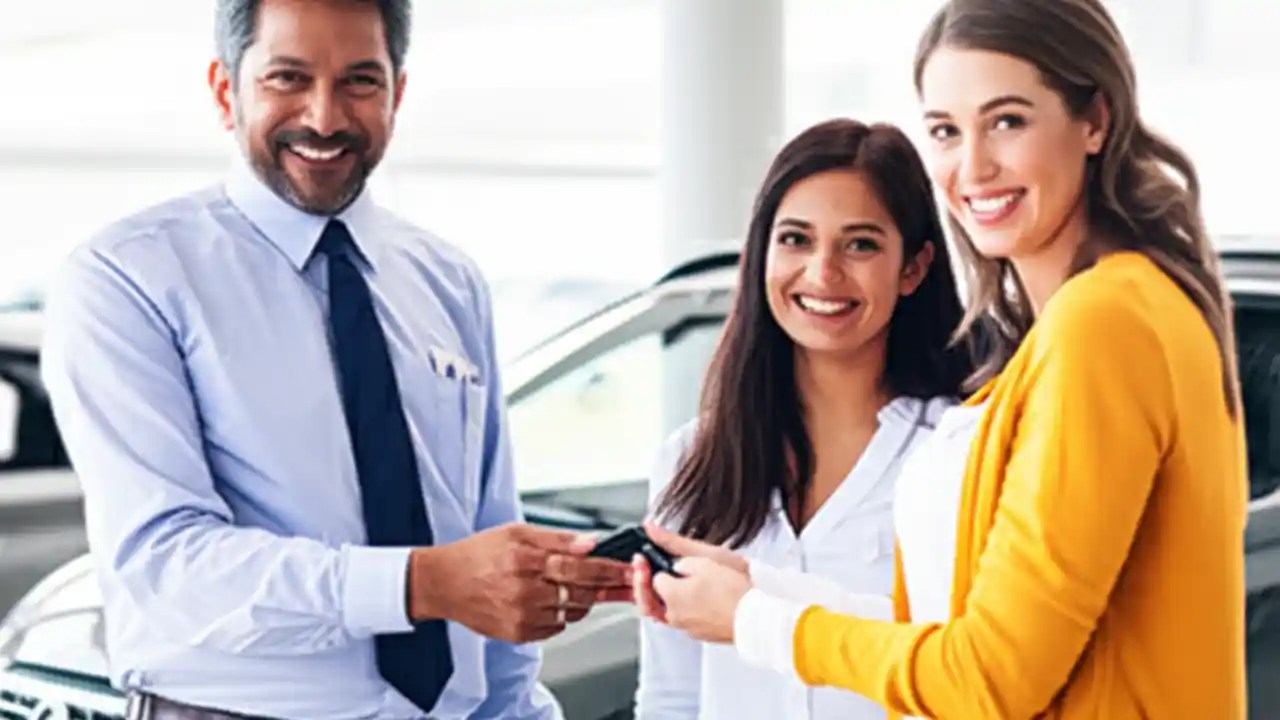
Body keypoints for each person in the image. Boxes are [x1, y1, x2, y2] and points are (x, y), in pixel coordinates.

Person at [632, 0, 1248, 718]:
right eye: (946, 132)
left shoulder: (1103, 324)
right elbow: (956, 627)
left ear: (1095, 120)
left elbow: (990, 679)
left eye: (1007, 121)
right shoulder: (1101, 319)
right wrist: (759, 591)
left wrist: (753, 620)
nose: (973, 166)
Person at [39, 1, 629, 719]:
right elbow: (166, 566)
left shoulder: (446, 280)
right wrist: (421, 583)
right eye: (288, 78)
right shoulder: (129, 277)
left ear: (397, 94)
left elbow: (487, 533)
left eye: (359, 82)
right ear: (227, 91)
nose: (324, 117)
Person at [635, 118, 973, 719]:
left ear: (914, 268)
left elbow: (970, 671)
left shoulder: (958, 454)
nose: (822, 273)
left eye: (861, 243)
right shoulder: (691, 461)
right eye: (795, 239)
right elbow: (672, 696)